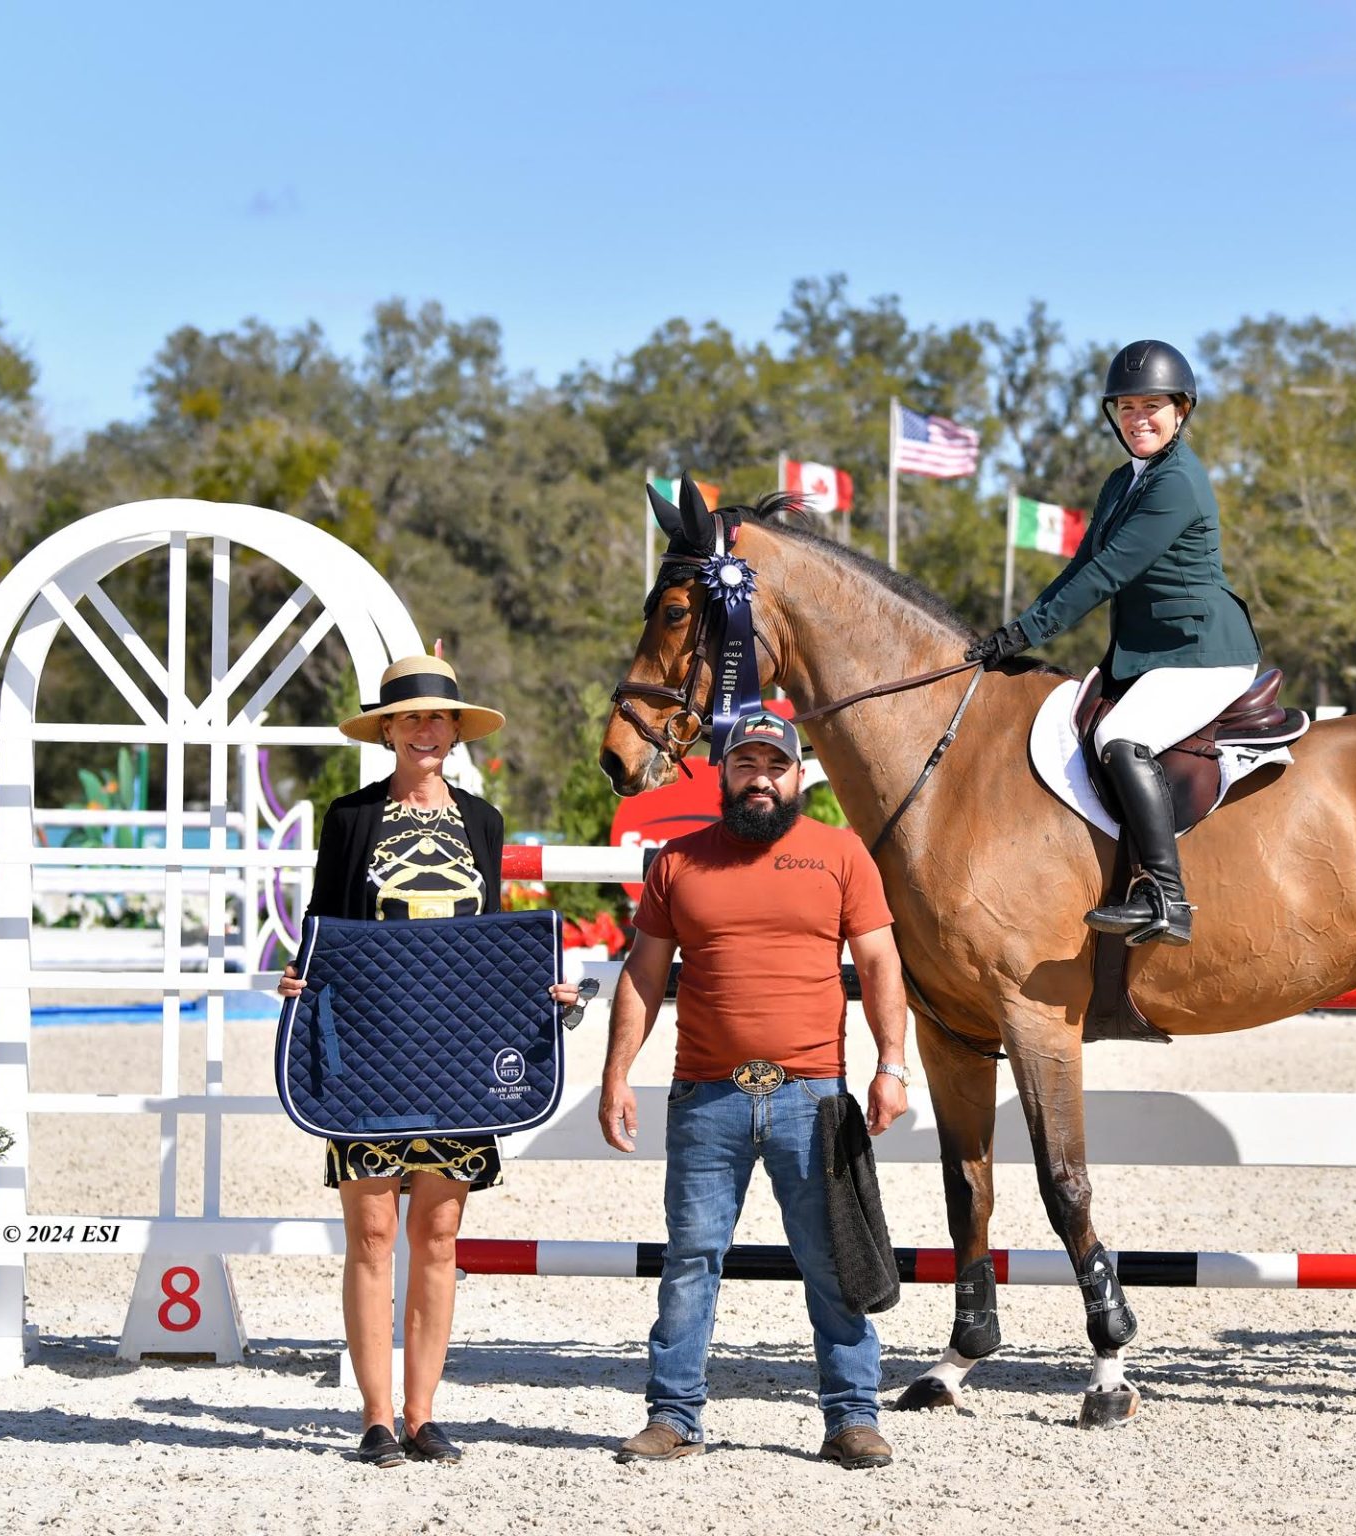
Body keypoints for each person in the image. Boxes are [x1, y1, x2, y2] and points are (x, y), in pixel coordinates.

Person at [278, 651, 581, 1467]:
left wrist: (543, 991)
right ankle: (376, 1416)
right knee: (373, 1233)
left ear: (455, 730)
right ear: (387, 731)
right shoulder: (350, 818)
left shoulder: (483, 821)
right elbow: (324, 926)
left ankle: (423, 1414)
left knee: (439, 1234)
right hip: (370, 1048)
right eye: (409, 717)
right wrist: (300, 979)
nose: (425, 729)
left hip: (456, 1053)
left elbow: (489, 943)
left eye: (438, 717)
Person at [600, 710, 909, 1471]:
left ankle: (852, 1416)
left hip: (814, 1097)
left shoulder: (841, 853)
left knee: (833, 1260)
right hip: (706, 1097)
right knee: (691, 1258)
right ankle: (673, 1416)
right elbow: (644, 974)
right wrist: (616, 1074)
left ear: (799, 776)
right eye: (746, 764)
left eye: (776, 765)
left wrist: (892, 1064)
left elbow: (879, 964)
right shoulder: (677, 862)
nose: (761, 779)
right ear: (723, 773)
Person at [965, 339, 1262, 947]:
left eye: (1152, 406)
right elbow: (1081, 565)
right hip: (1151, 655)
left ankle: (1165, 896)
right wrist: (1014, 629)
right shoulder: (1121, 481)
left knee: (1119, 737)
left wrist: (1027, 633)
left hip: (1203, 652)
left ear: (1181, 410)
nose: (1138, 419)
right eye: (1126, 407)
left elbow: (1108, 574)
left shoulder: (1177, 483)